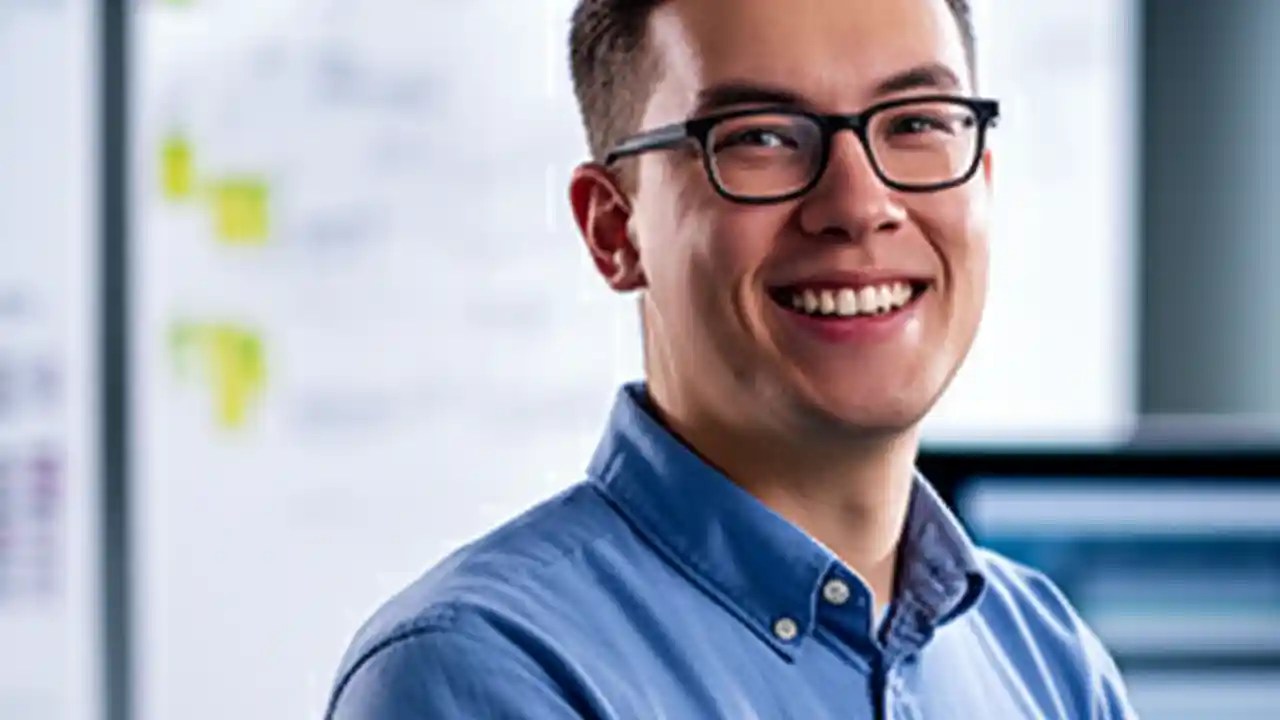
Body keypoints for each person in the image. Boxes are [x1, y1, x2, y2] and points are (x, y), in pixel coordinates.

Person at [325, 0, 1137, 717]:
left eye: (916, 124)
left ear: (981, 183)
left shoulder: (1049, 663)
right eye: (760, 139)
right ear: (615, 228)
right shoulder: (483, 674)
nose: (859, 206)